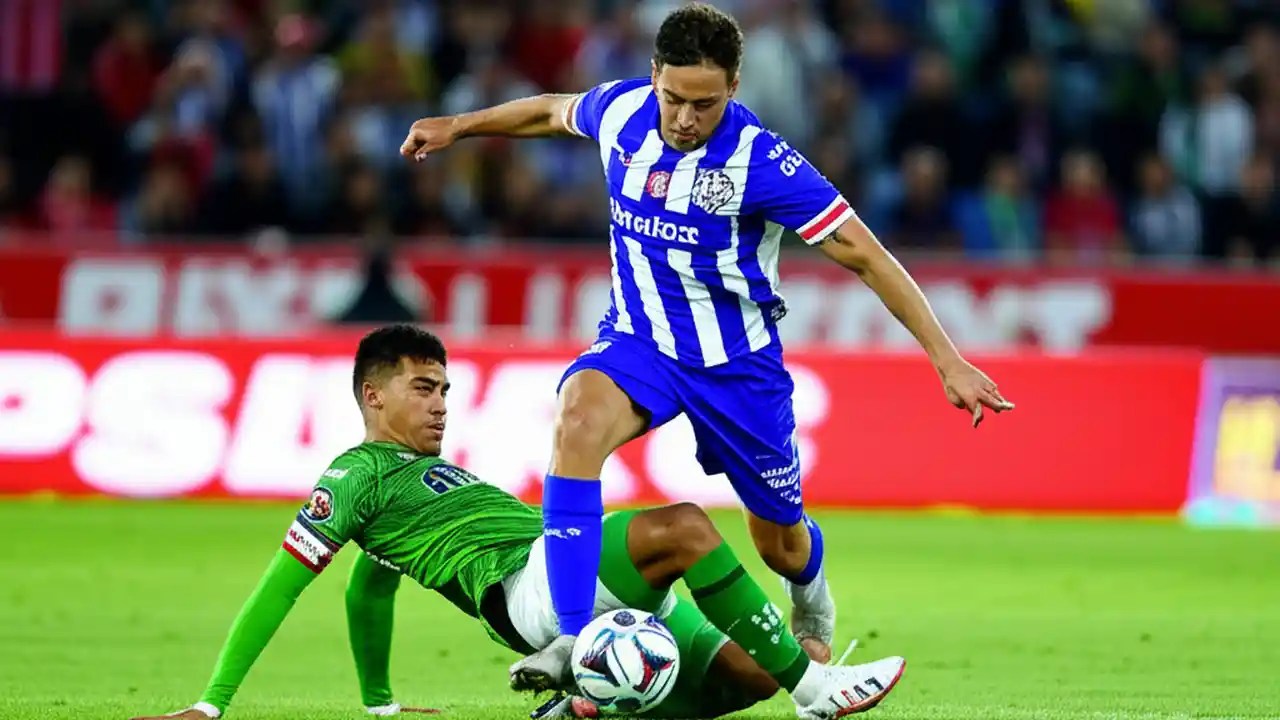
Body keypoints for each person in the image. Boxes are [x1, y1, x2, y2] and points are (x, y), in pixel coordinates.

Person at [400, 3, 1015, 691]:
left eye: (706, 104)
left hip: (736, 369)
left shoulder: (763, 162)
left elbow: (867, 257)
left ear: (735, 90)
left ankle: (811, 587)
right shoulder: (622, 111)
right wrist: (459, 126)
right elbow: (550, 112)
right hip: (640, 343)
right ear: (653, 74)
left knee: (778, 546)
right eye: (674, 99)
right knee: (576, 418)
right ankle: (572, 639)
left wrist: (947, 358)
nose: (687, 119)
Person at [129, 325, 905, 720]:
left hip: (587, 588)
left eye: (445, 389)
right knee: (685, 526)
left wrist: (381, 704)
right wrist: (213, 702)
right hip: (533, 589)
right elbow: (280, 589)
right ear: (374, 397)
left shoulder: (410, 485)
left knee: (752, 676)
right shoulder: (352, 477)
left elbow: (370, 586)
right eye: (423, 389)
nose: (440, 404)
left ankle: (595, 700)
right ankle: (817, 692)